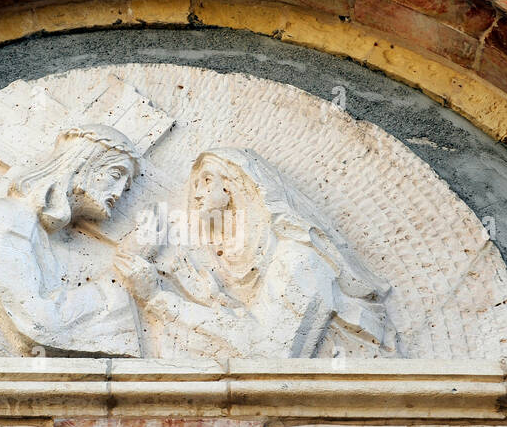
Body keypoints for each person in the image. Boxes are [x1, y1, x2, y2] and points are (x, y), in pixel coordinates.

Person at [113, 148, 397, 359]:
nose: (197, 193)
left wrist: (158, 299)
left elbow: (269, 352)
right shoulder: (231, 265)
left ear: (236, 186)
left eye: (206, 180)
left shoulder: (302, 259)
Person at [0, 125, 144, 357]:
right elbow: (39, 323)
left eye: (126, 184)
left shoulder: (41, 232)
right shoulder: (7, 216)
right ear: (80, 166)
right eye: (115, 175)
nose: (119, 192)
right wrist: (119, 283)